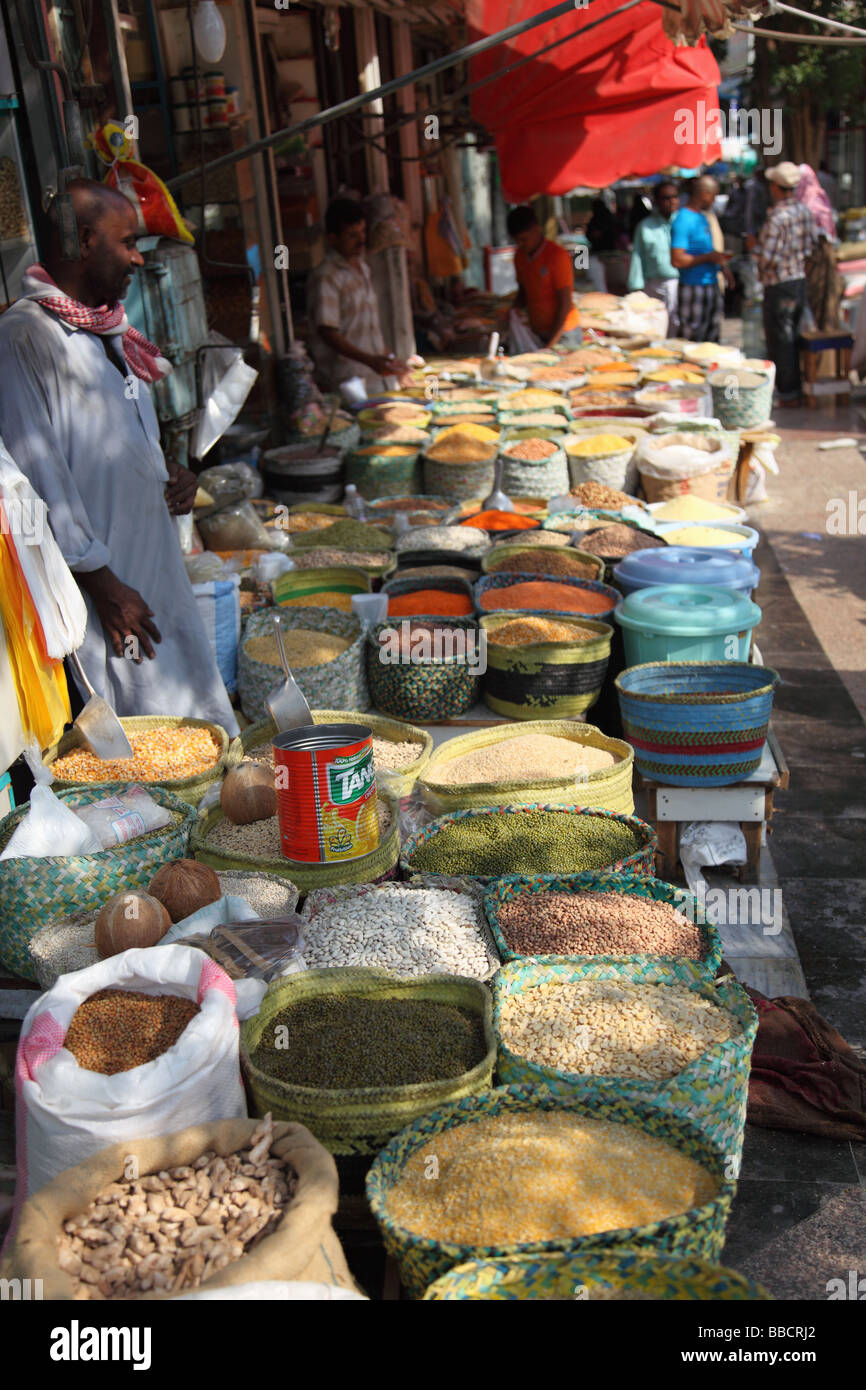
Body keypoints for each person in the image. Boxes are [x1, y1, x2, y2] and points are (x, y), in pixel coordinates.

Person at [0, 179, 238, 732]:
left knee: (191, 722)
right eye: (127, 242)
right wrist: (104, 586)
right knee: (141, 734)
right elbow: (37, 482)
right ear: (85, 241)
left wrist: (165, 473)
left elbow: (115, 441)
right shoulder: (23, 340)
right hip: (104, 583)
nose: (137, 257)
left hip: (152, 560)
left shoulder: (108, 330)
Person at [306, 197, 410, 396]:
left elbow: (369, 327)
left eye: (362, 231)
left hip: (376, 379)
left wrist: (390, 359)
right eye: (352, 235)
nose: (361, 240)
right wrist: (370, 360)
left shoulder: (362, 268)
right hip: (348, 381)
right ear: (333, 238)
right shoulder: (327, 275)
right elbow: (328, 332)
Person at [755, 161, 819, 405]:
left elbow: (768, 259)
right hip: (798, 281)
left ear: (776, 187)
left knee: (781, 340)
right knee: (792, 336)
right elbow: (813, 248)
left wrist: (756, 256)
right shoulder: (804, 211)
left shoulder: (778, 217)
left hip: (779, 285)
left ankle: (789, 392)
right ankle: (795, 387)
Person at [506, 205, 582, 350]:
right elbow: (523, 291)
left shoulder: (557, 256)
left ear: (536, 230)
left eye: (523, 239)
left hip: (564, 332)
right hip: (538, 331)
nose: (520, 244)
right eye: (517, 240)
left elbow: (564, 303)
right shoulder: (519, 257)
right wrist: (514, 311)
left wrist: (551, 344)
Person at [670, 175, 732, 342]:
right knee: (692, 339)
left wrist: (722, 267)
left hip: (710, 285)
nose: (713, 201)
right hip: (693, 287)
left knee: (711, 340)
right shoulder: (683, 220)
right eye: (713, 196)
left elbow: (705, 250)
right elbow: (677, 260)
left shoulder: (702, 218)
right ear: (704, 194)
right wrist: (708, 257)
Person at [626, 181, 681, 334]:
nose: (672, 201)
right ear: (656, 201)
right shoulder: (645, 226)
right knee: (655, 328)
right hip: (654, 284)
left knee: (676, 326)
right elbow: (637, 256)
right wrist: (635, 287)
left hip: (680, 283)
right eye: (666, 198)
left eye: (675, 196)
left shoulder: (683, 221)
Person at [796, 164, 843, 334]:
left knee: (820, 307)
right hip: (820, 259)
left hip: (818, 262)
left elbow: (818, 236)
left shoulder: (812, 200)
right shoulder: (815, 197)